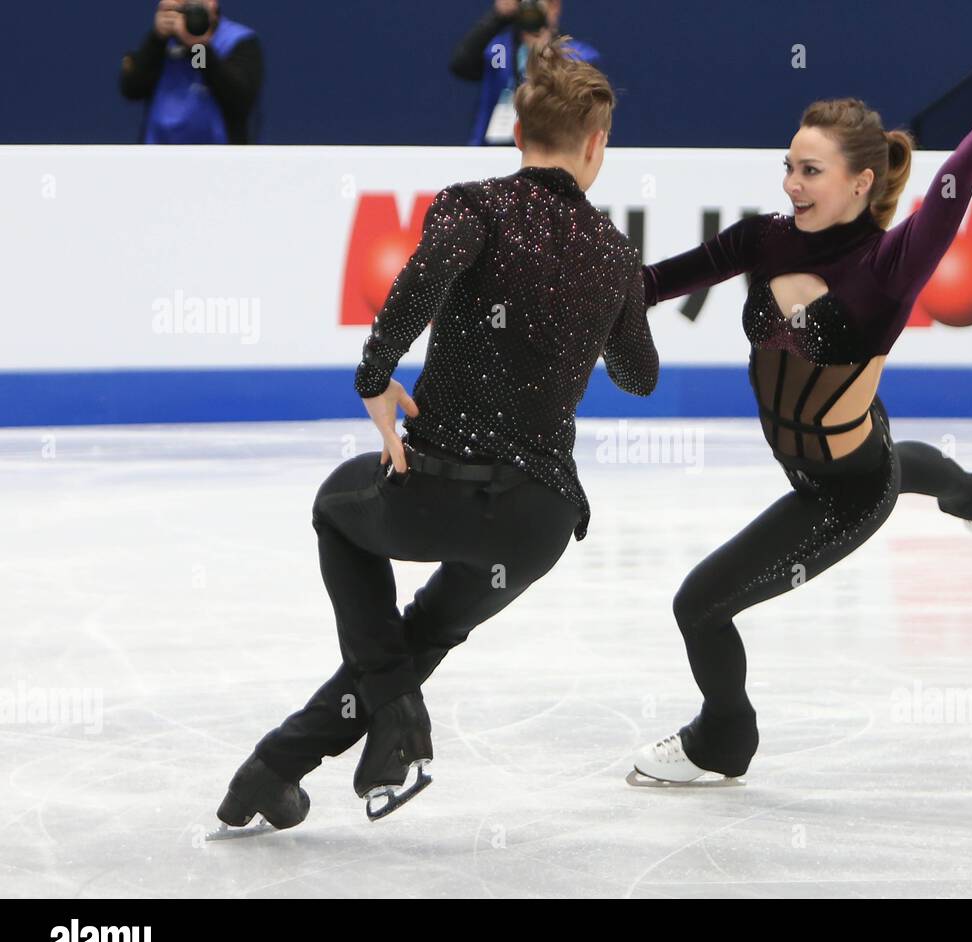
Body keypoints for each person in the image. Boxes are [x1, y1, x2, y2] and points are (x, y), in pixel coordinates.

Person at [630, 52, 972, 785]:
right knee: (909, 460)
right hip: (856, 433)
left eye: (811, 171)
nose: (791, 183)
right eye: (789, 166)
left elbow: (964, 168)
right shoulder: (763, 239)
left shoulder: (892, 264)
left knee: (699, 605)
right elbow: (654, 283)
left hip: (841, 492)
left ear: (861, 181)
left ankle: (723, 742)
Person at [214, 38, 657, 833]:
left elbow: (423, 279)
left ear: (518, 135)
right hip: (538, 524)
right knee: (416, 638)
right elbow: (639, 374)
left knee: (334, 508)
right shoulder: (615, 252)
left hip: (440, 491)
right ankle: (273, 768)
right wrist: (621, 292)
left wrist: (375, 374)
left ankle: (401, 724)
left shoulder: (475, 203)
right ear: (598, 145)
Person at [450, 0, 599, 146]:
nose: (530, 10)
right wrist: (497, 17)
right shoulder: (499, 51)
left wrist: (547, 56)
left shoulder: (578, 56)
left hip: (553, 150)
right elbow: (461, 65)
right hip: (495, 148)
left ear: (554, 7)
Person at [119, 0, 263, 144]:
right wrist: (157, 38)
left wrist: (198, 47)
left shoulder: (237, 40)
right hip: (159, 155)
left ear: (214, 4)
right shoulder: (162, 41)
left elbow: (238, 100)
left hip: (218, 157)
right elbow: (132, 90)